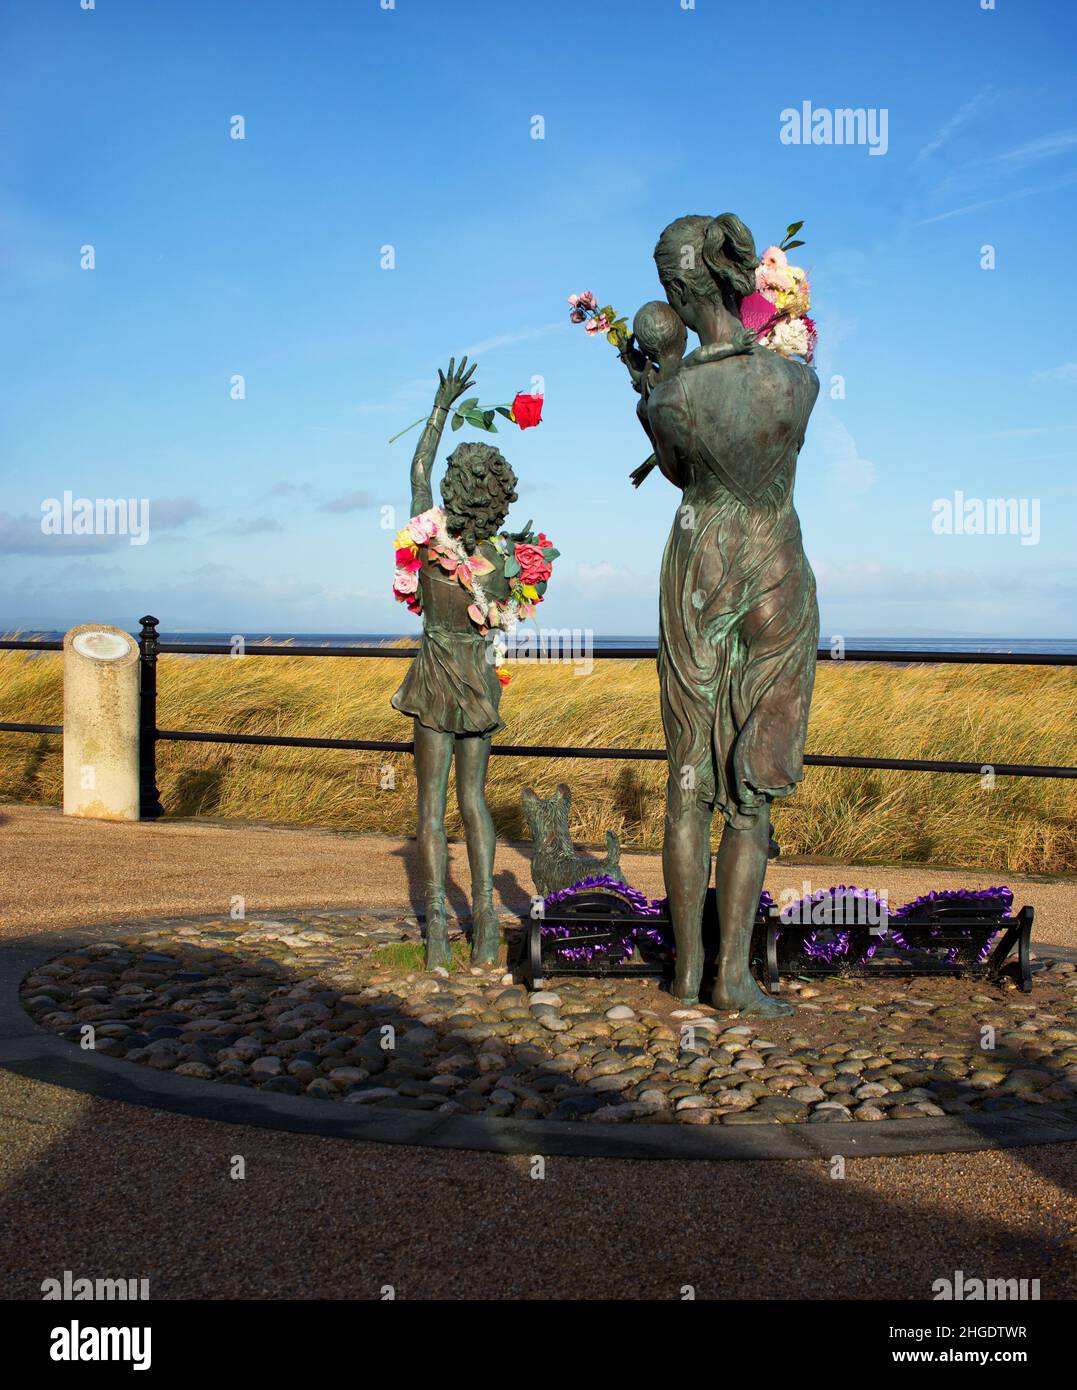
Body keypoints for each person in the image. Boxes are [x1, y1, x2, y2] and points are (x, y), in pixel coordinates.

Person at [638, 213, 819, 1015]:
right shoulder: (795, 382)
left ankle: (684, 970)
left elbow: (681, 473)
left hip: (696, 567)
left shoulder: (666, 397)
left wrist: (654, 378)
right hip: (773, 566)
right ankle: (732, 976)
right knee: (749, 786)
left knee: (688, 777)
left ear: (681, 287)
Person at [390, 358, 518, 969]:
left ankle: (440, 928)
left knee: (430, 805)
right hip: (476, 676)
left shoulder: (426, 535)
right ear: (496, 495)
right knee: (474, 801)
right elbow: (504, 612)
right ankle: (487, 924)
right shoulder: (505, 555)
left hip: (434, 672)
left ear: (453, 488)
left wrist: (439, 408)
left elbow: (416, 467)